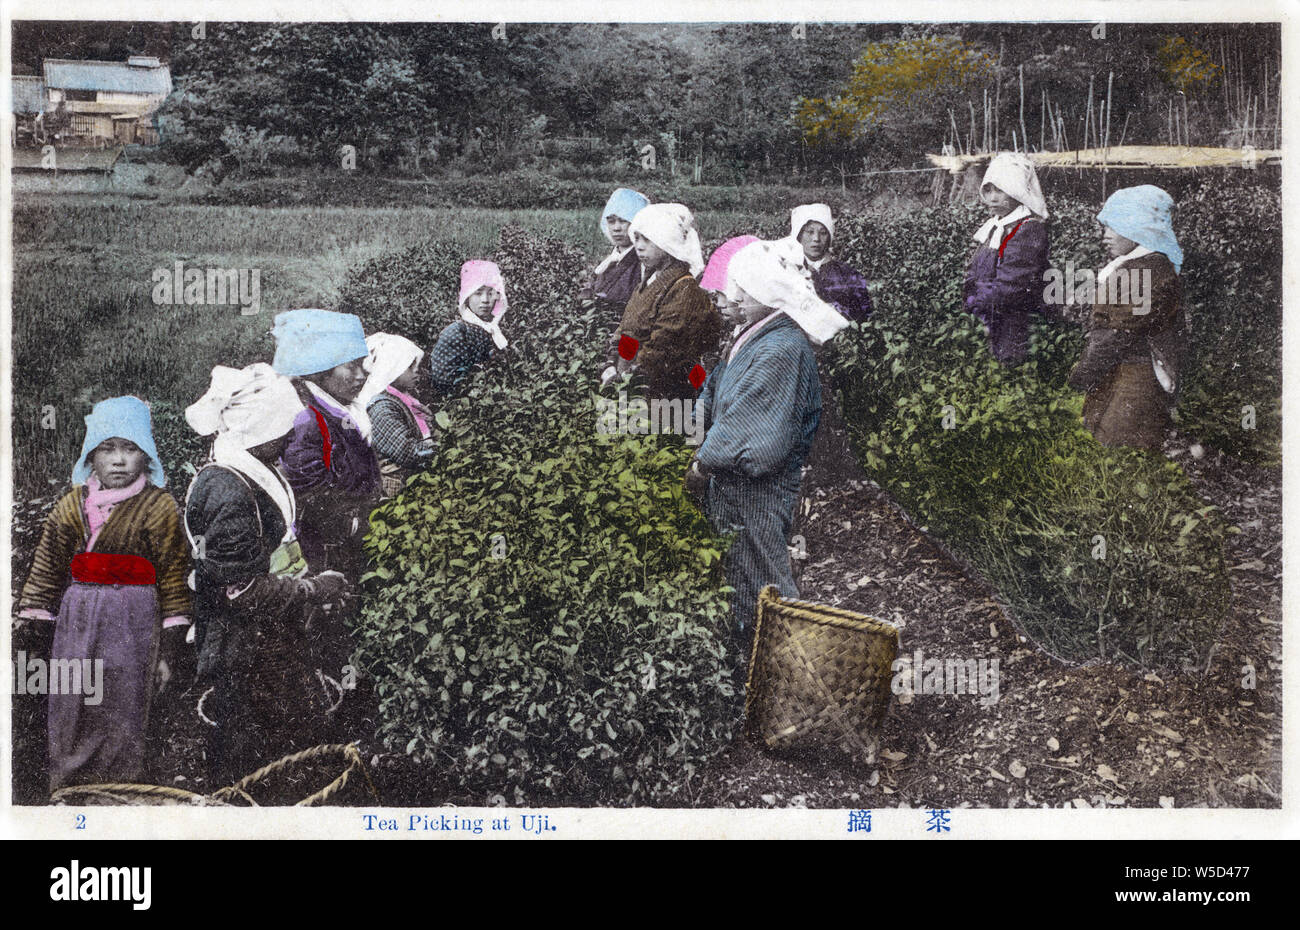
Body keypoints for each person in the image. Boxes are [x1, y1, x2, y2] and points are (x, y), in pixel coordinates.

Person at [183, 363, 351, 784]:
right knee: (250, 739)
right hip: (242, 641)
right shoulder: (231, 492)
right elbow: (241, 591)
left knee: (266, 729)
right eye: (283, 429)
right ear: (259, 432)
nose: (291, 437)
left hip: (263, 635)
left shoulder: (245, 467)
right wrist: (314, 588)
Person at [17, 396, 192, 792]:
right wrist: (36, 625)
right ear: (90, 456)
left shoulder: (158, 506)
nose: (118, 460)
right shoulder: (72, 506)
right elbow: (46, 568)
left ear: (145, 456)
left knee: (123, 703)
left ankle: (119, 789)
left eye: (130, 448)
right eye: (106, 449)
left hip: (132, 624)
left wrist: (168, 649)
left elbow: (172, 575)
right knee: (73, 696)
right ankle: (69, 787)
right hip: (77, 622)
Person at [688, 239, 847, 638]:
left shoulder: (781, 350)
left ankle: (794, 662)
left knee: (766, 577)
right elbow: (716, 388)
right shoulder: (752, 335)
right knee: (743, 575)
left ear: (763, 295)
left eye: (738, 290)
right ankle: (753, 663)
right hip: (735, 485)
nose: (730, 298)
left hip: (758, 489)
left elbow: (753, 430)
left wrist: (703, 463)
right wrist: (695, 431)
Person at [1068, 185, 1187, 452]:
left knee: (1119, 448)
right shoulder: (1133, 265)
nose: (1105, 236)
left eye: (1114, 227)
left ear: (1140, 228)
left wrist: (1080, 375)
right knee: (1095, 439)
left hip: (1139, 373)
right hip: (1118, 368)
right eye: (1105, 227)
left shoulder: (1151, 271)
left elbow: (1117, 334)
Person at [272, 308, 381, 582]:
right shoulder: (307, 420)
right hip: (325, 555)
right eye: (351, 366)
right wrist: (359, 524)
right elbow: (312, 498)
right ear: (320, 371)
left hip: (351, 543)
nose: (362, 374)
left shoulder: (344, 410)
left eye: (362, 363)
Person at [602, 203, 721, 401]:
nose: (639, 246)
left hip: (660, 395)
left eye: (647, 240)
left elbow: (661, 349)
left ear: (667, 244)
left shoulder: (684, 290)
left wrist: (623, 380)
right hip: (630, 384)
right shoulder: (649, 281)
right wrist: (610, 364)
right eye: (637, 238)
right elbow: (625, 330)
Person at [962, 152, 1051, 365]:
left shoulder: (1028, 229)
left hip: (1015, 322)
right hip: (991, 313)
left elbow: (1012, 284)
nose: (993, 198)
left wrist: (977, 304)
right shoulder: (995, 226)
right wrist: (972, 303)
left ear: (1016, 192)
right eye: (989, 190)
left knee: (1011, 372)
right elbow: (976, 270)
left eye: (1000, 190)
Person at [359, 333, 436, 498]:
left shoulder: (403, 398)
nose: (417, 371)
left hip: (412, 480)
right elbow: (407, 452)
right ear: (391, 368)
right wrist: (440, 447)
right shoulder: (381, 407)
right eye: (409, 366)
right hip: (397, 488)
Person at [428, 260, 510, 401]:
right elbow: (443, 383)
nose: (485, 300)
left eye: (490, 293)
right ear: (467, 296)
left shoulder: (496, 329)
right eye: (478, 293)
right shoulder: (457, 332)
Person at [789, 203, 873, 321]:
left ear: (829, 237)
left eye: (823, 233)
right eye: (810, 232)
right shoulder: (788, 270)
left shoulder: (848, 274)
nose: (816, 239)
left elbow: (865, 314)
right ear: (798, 236)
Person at [578, 187, 650, 314]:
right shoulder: (608, 262)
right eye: (611, 221)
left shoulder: (643, 264)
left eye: (623, 221)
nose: (616, 228)